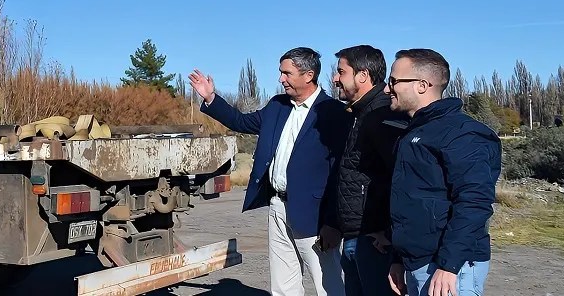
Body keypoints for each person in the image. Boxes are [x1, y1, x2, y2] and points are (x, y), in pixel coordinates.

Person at [191, 47, 347, 296]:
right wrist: (211, 97)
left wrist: (333, 222)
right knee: (283, 285)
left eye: (287, 73)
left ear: (308, 75)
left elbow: (340, 173)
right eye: (281, 72)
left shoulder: (333, 112)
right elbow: (241, 122)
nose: (280, 79)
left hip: (315, 216)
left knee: (327, 284)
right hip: (278, 207)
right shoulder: (277, 106)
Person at [385, 48, 500, 296]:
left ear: (422, 85)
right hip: (417, 262)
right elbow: (410, 201)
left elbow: (475, 201)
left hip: (449, 268)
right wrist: (398, 258)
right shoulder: (413, 132)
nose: (387, 89)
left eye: (393, 81)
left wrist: (449, 265)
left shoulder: (462, 134)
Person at [320, 45, 409, 296]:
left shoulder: (381, 116)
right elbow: (350, 175)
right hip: (356, 236)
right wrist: (334, 222)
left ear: (363, 75)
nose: (335, 79)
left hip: (375, 241)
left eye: (341, 72)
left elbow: (400, 177)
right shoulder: (358, 113)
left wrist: (389, 232)